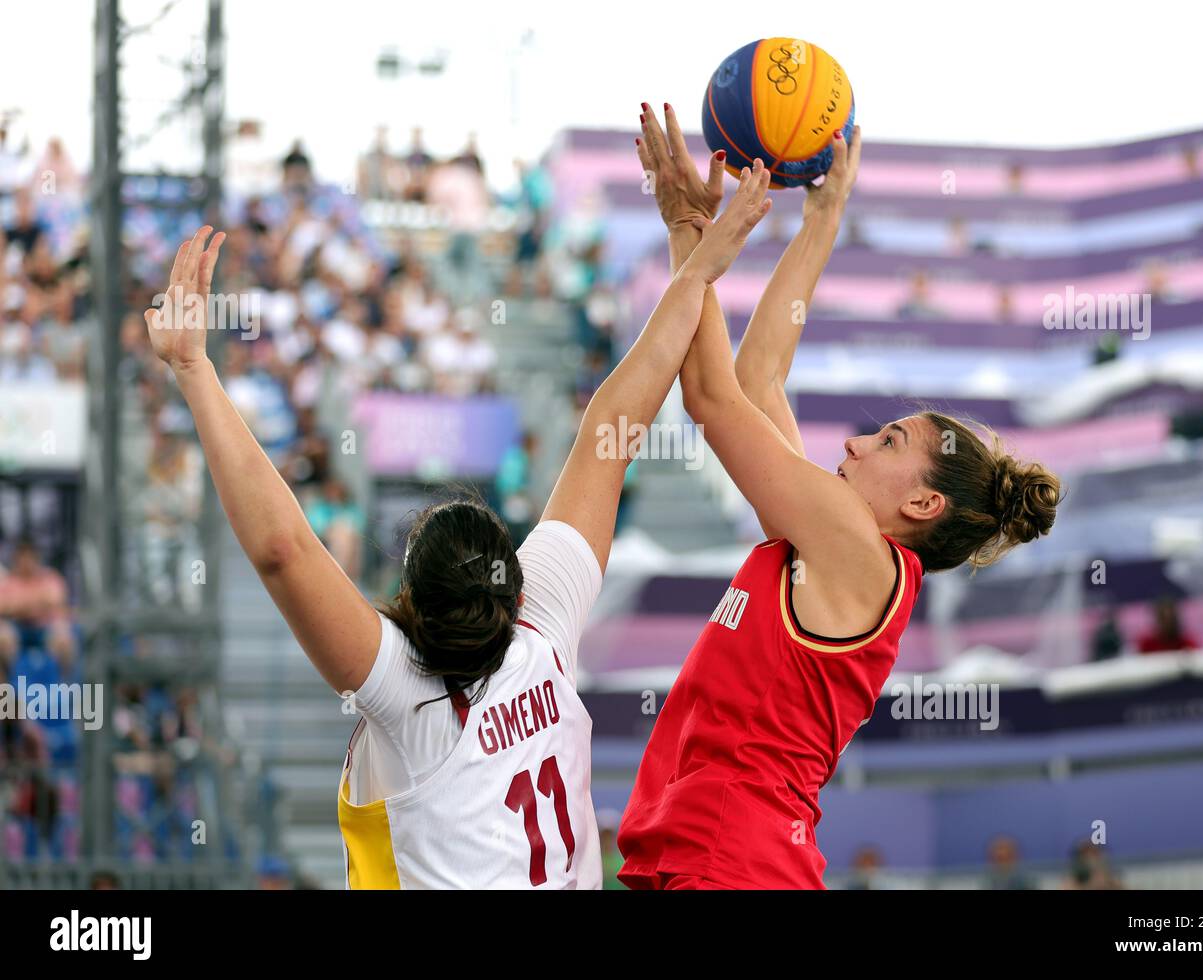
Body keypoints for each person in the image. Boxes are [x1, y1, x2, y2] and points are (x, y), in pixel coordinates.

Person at [142, 191, 770, 888]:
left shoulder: (406, 695)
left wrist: (195, 369)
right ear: (514, 577)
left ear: (411, 596)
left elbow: (283, 547)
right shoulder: (543, 632)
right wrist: (696, 262)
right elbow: (611, 427)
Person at [616, 106, 1061, 890]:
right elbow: (753, 384)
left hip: (737, 857)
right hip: (720, 849)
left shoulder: (858, 552)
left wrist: (696, 233)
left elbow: (715, 402)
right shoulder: (832, 544)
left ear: (924, 506)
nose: (853, 443)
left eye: (887, 442)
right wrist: (821, 218)